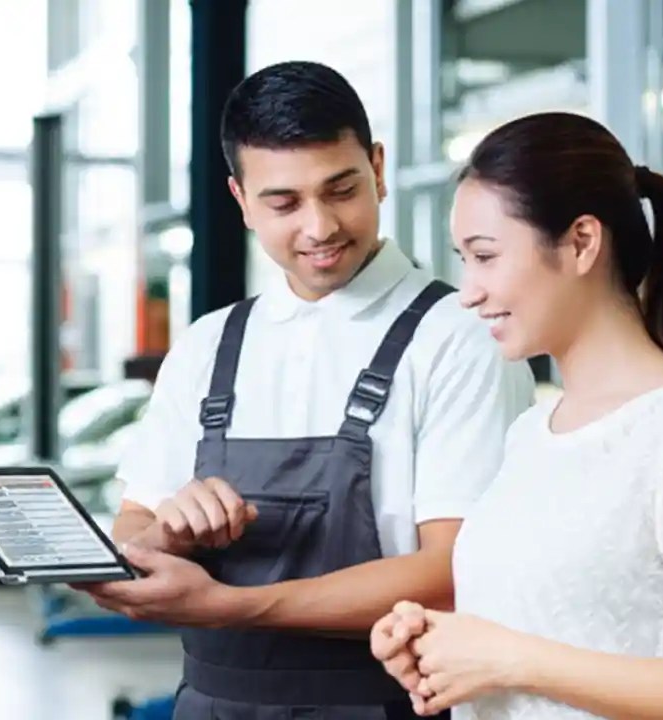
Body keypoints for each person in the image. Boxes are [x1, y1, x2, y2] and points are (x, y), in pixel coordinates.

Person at [73, 60, 534, 719]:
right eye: (283, 204)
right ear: (240, 200)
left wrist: (232, 606)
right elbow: (134, 530)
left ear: (378, 169)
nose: (319, 227)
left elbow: (456, 572)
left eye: (341, 190)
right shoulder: (209, 345)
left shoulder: (461, 336)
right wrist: (172, 534)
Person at [369, 111, 663, 719]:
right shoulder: (531, 434)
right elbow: (547, 629)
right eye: (464, 259)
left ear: (582, 242)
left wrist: (510, 659)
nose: (468, 291)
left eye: (485, 256)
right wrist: (442, 647)